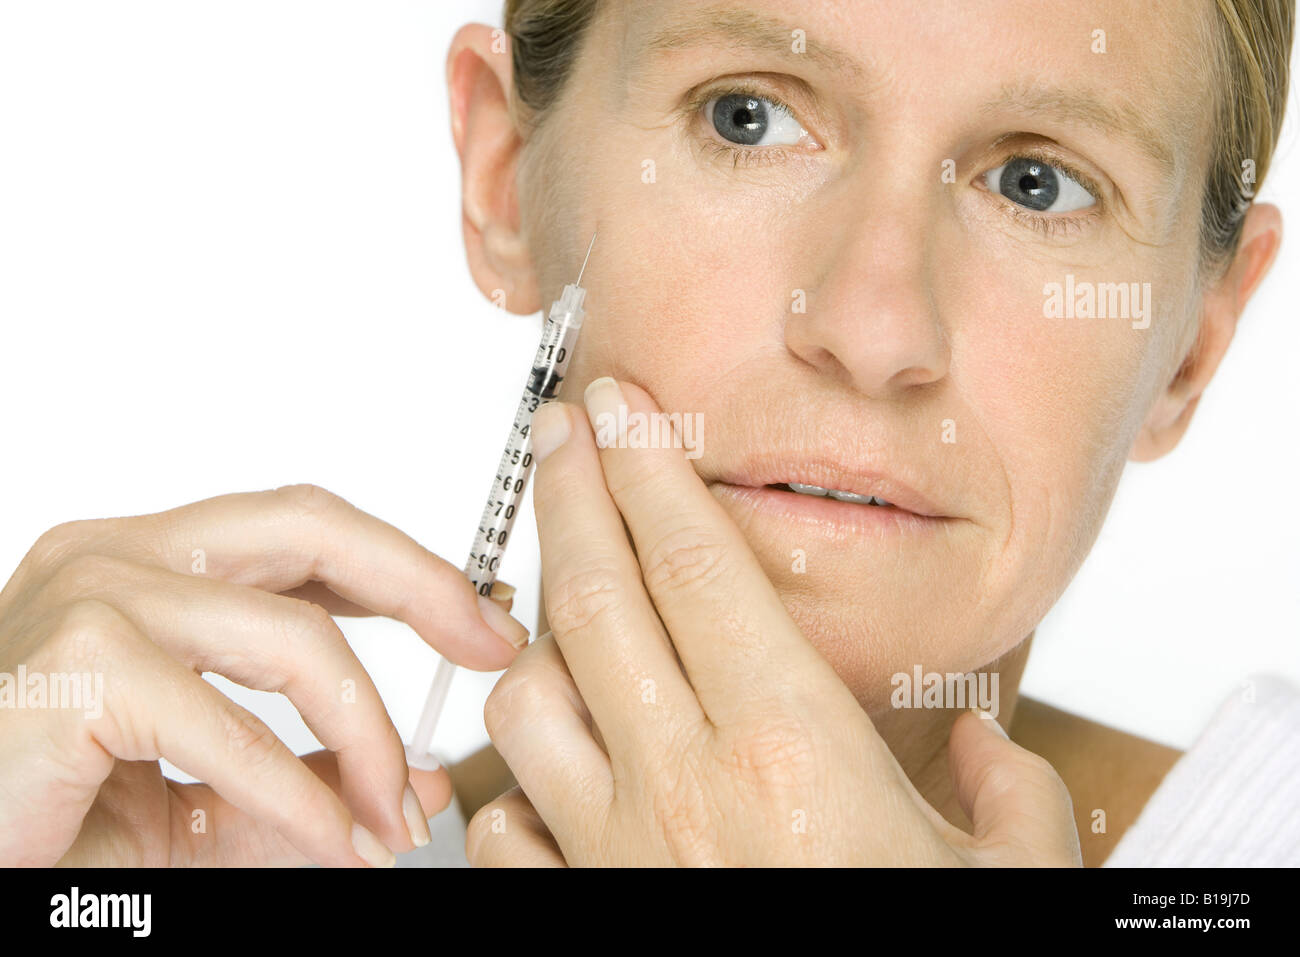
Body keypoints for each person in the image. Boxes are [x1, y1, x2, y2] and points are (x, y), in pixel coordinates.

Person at [1, 0, 1295, 867]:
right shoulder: (143, 843)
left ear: (1194, 344)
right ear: (506, 174)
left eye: (1036, 182)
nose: (873, 322)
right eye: (748, 115)